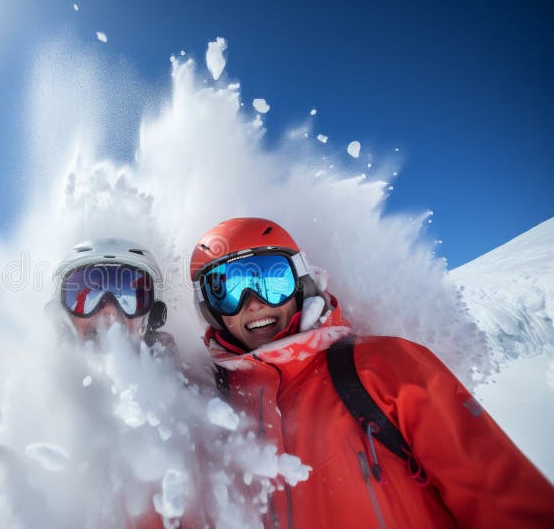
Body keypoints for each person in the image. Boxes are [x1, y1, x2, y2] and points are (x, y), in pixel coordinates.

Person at [189, 216, 554, 528]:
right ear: (210, 310)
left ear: (300, 283)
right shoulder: (208, 410)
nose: (253, 303)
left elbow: (499, 493)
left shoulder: (384, 365)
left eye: (272, 280)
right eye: (227, 290)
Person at [52, 237, 171, 352]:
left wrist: (168, 358)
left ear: (153, 315)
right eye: (95, 293)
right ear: (61, 315)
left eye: (131, 302)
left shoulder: (167, 358)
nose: (110, 312)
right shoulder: (43, 362)